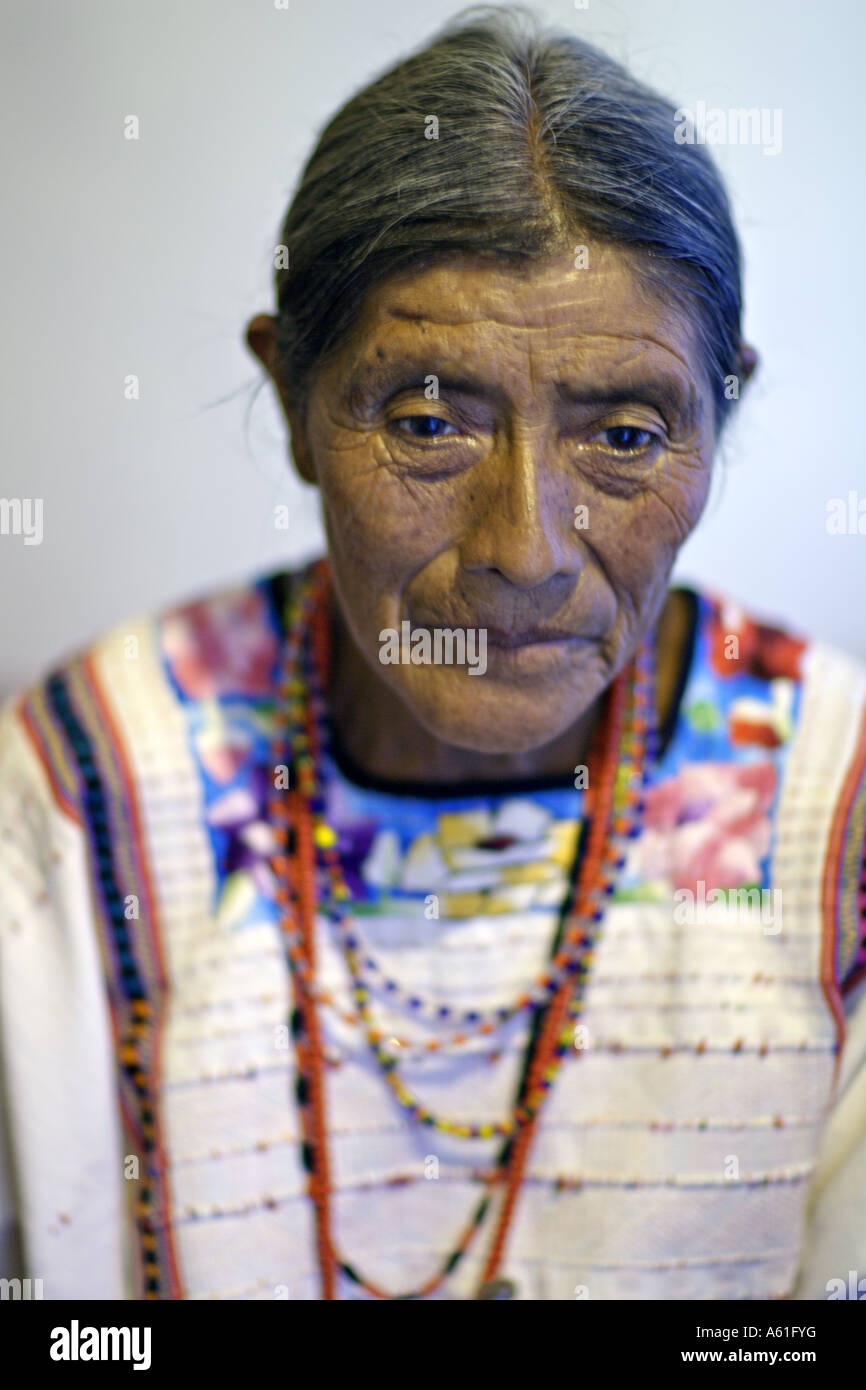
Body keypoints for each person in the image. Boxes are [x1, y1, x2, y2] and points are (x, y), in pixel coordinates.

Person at [1, 5, 864, 1302]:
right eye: (425, 418)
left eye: (624, 434)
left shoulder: (836, 815)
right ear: (294, 401)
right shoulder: (72, 804)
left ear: (716, 412)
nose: (525, 550)